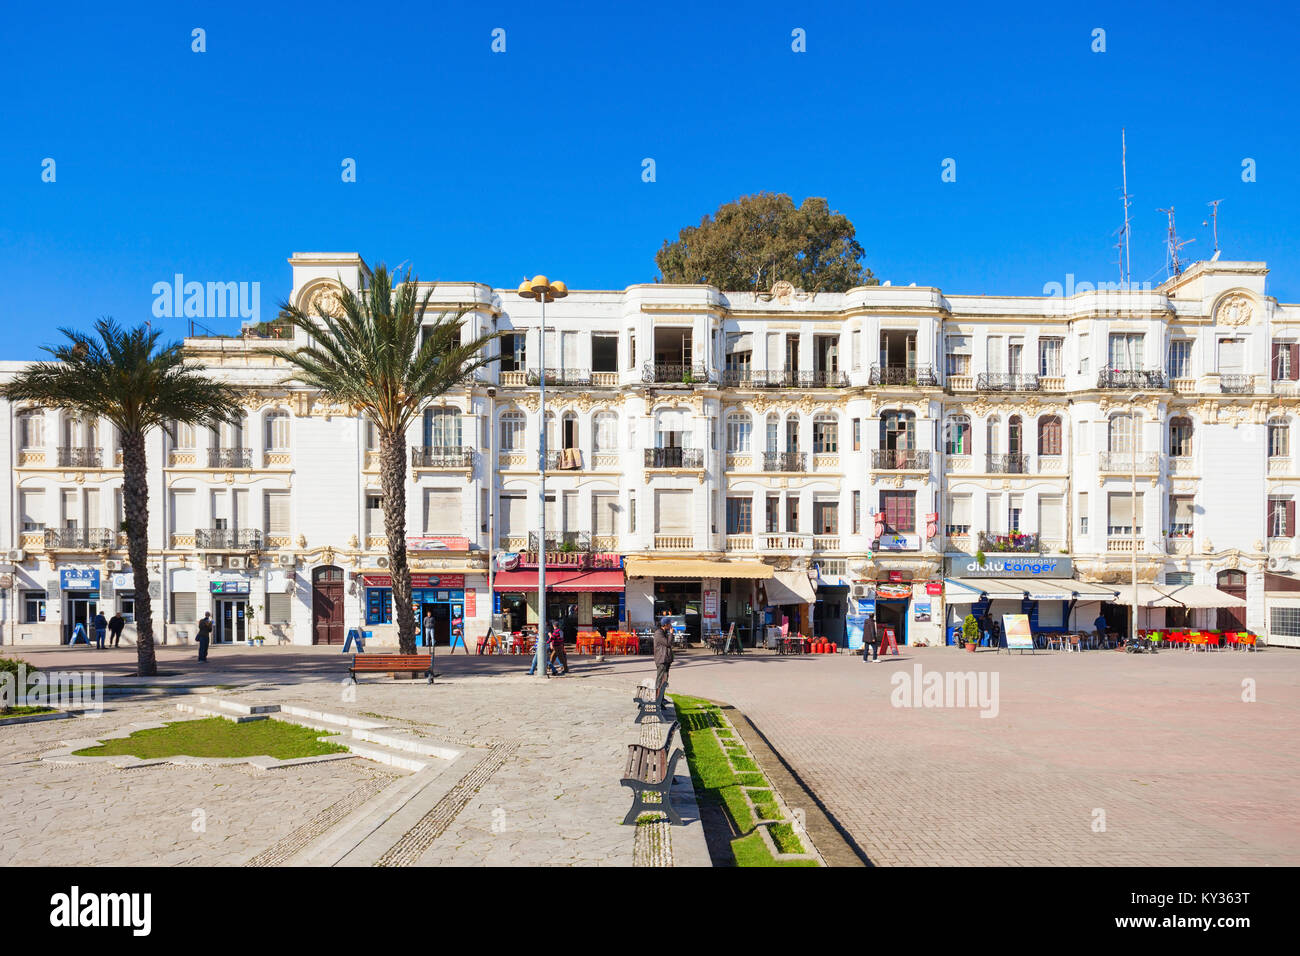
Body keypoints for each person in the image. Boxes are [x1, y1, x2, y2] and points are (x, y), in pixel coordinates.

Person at [653, 618, 673, 709]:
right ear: (665, 625)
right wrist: (671, 633)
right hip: (661, 660)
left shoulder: (663, 632)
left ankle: (661, 698)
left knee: (664, 680)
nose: (671, 626)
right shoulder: (658, 633)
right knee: (660, 680)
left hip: (665, 659)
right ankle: (658, 700)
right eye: (669, 624)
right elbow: (668, 643)